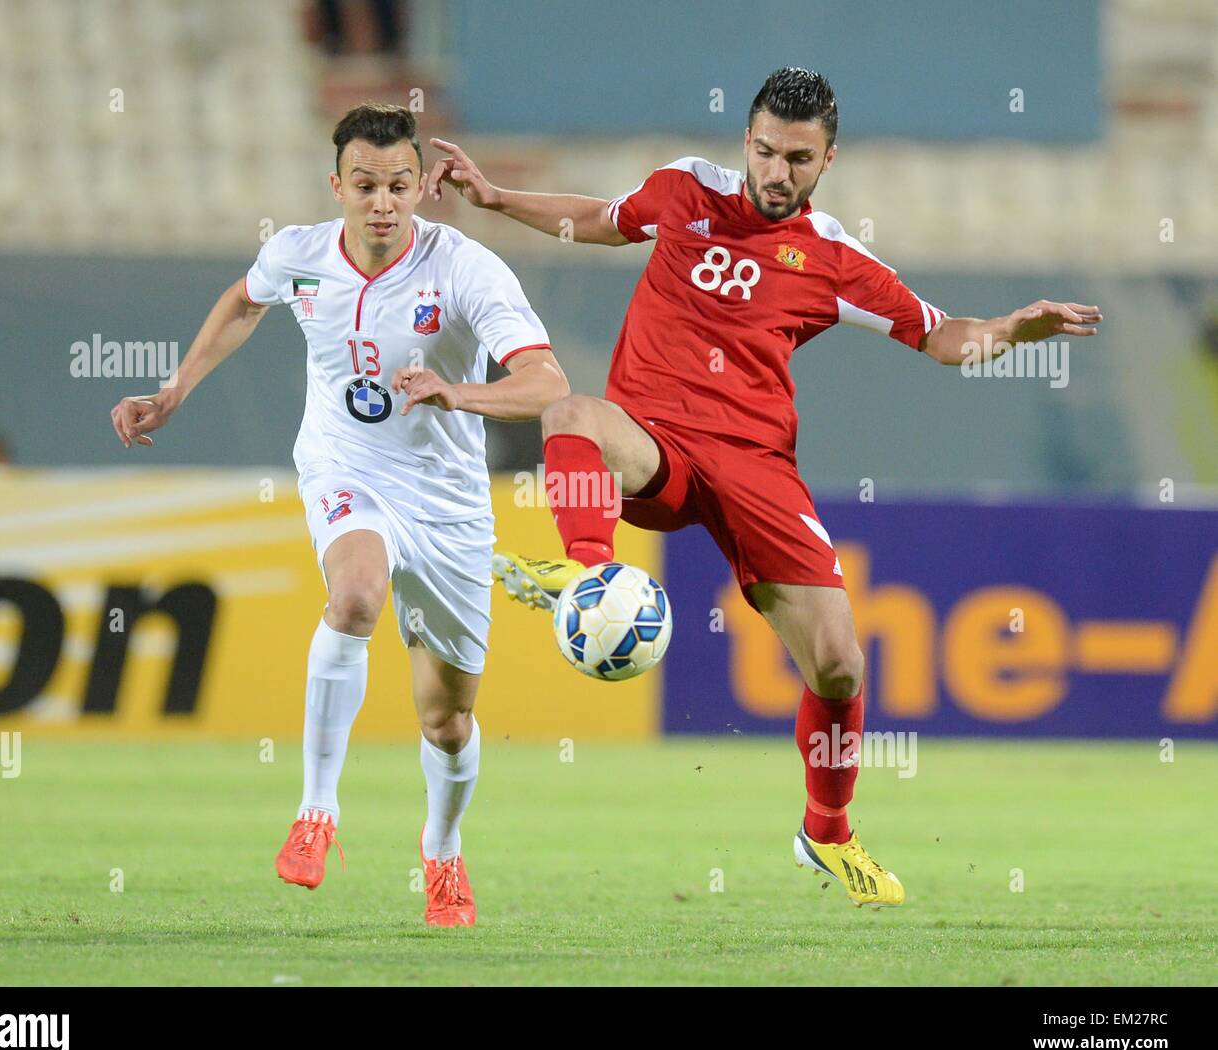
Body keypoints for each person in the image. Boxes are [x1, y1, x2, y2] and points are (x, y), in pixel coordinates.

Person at [426, 68, 1101, 909]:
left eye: (799, 159)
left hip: (756, 469)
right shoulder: (682, 190)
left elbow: (941, 337)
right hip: (657, 444)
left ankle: (827, 831)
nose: (777, 172)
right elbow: (597, 220)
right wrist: (491, 198)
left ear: (828, 160)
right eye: (767, 151)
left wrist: (1010, 329)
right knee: (573, 411)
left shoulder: (832, 256)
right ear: (746, 140)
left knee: (841, 665)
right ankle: (589, 569)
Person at [110, 103, 567, 927]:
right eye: (365, 185)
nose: (383, 202)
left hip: (448, 501)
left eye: (399, 184)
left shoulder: (466, 269)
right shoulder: (300, 254)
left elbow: (547, 384)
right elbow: (246, 300)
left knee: (450, 718)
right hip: (344, 465)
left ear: (423, 185)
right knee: (354, 595)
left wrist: (457, 392)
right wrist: (176, 388)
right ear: (338, 187)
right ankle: (317, 811)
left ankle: (443, 852)